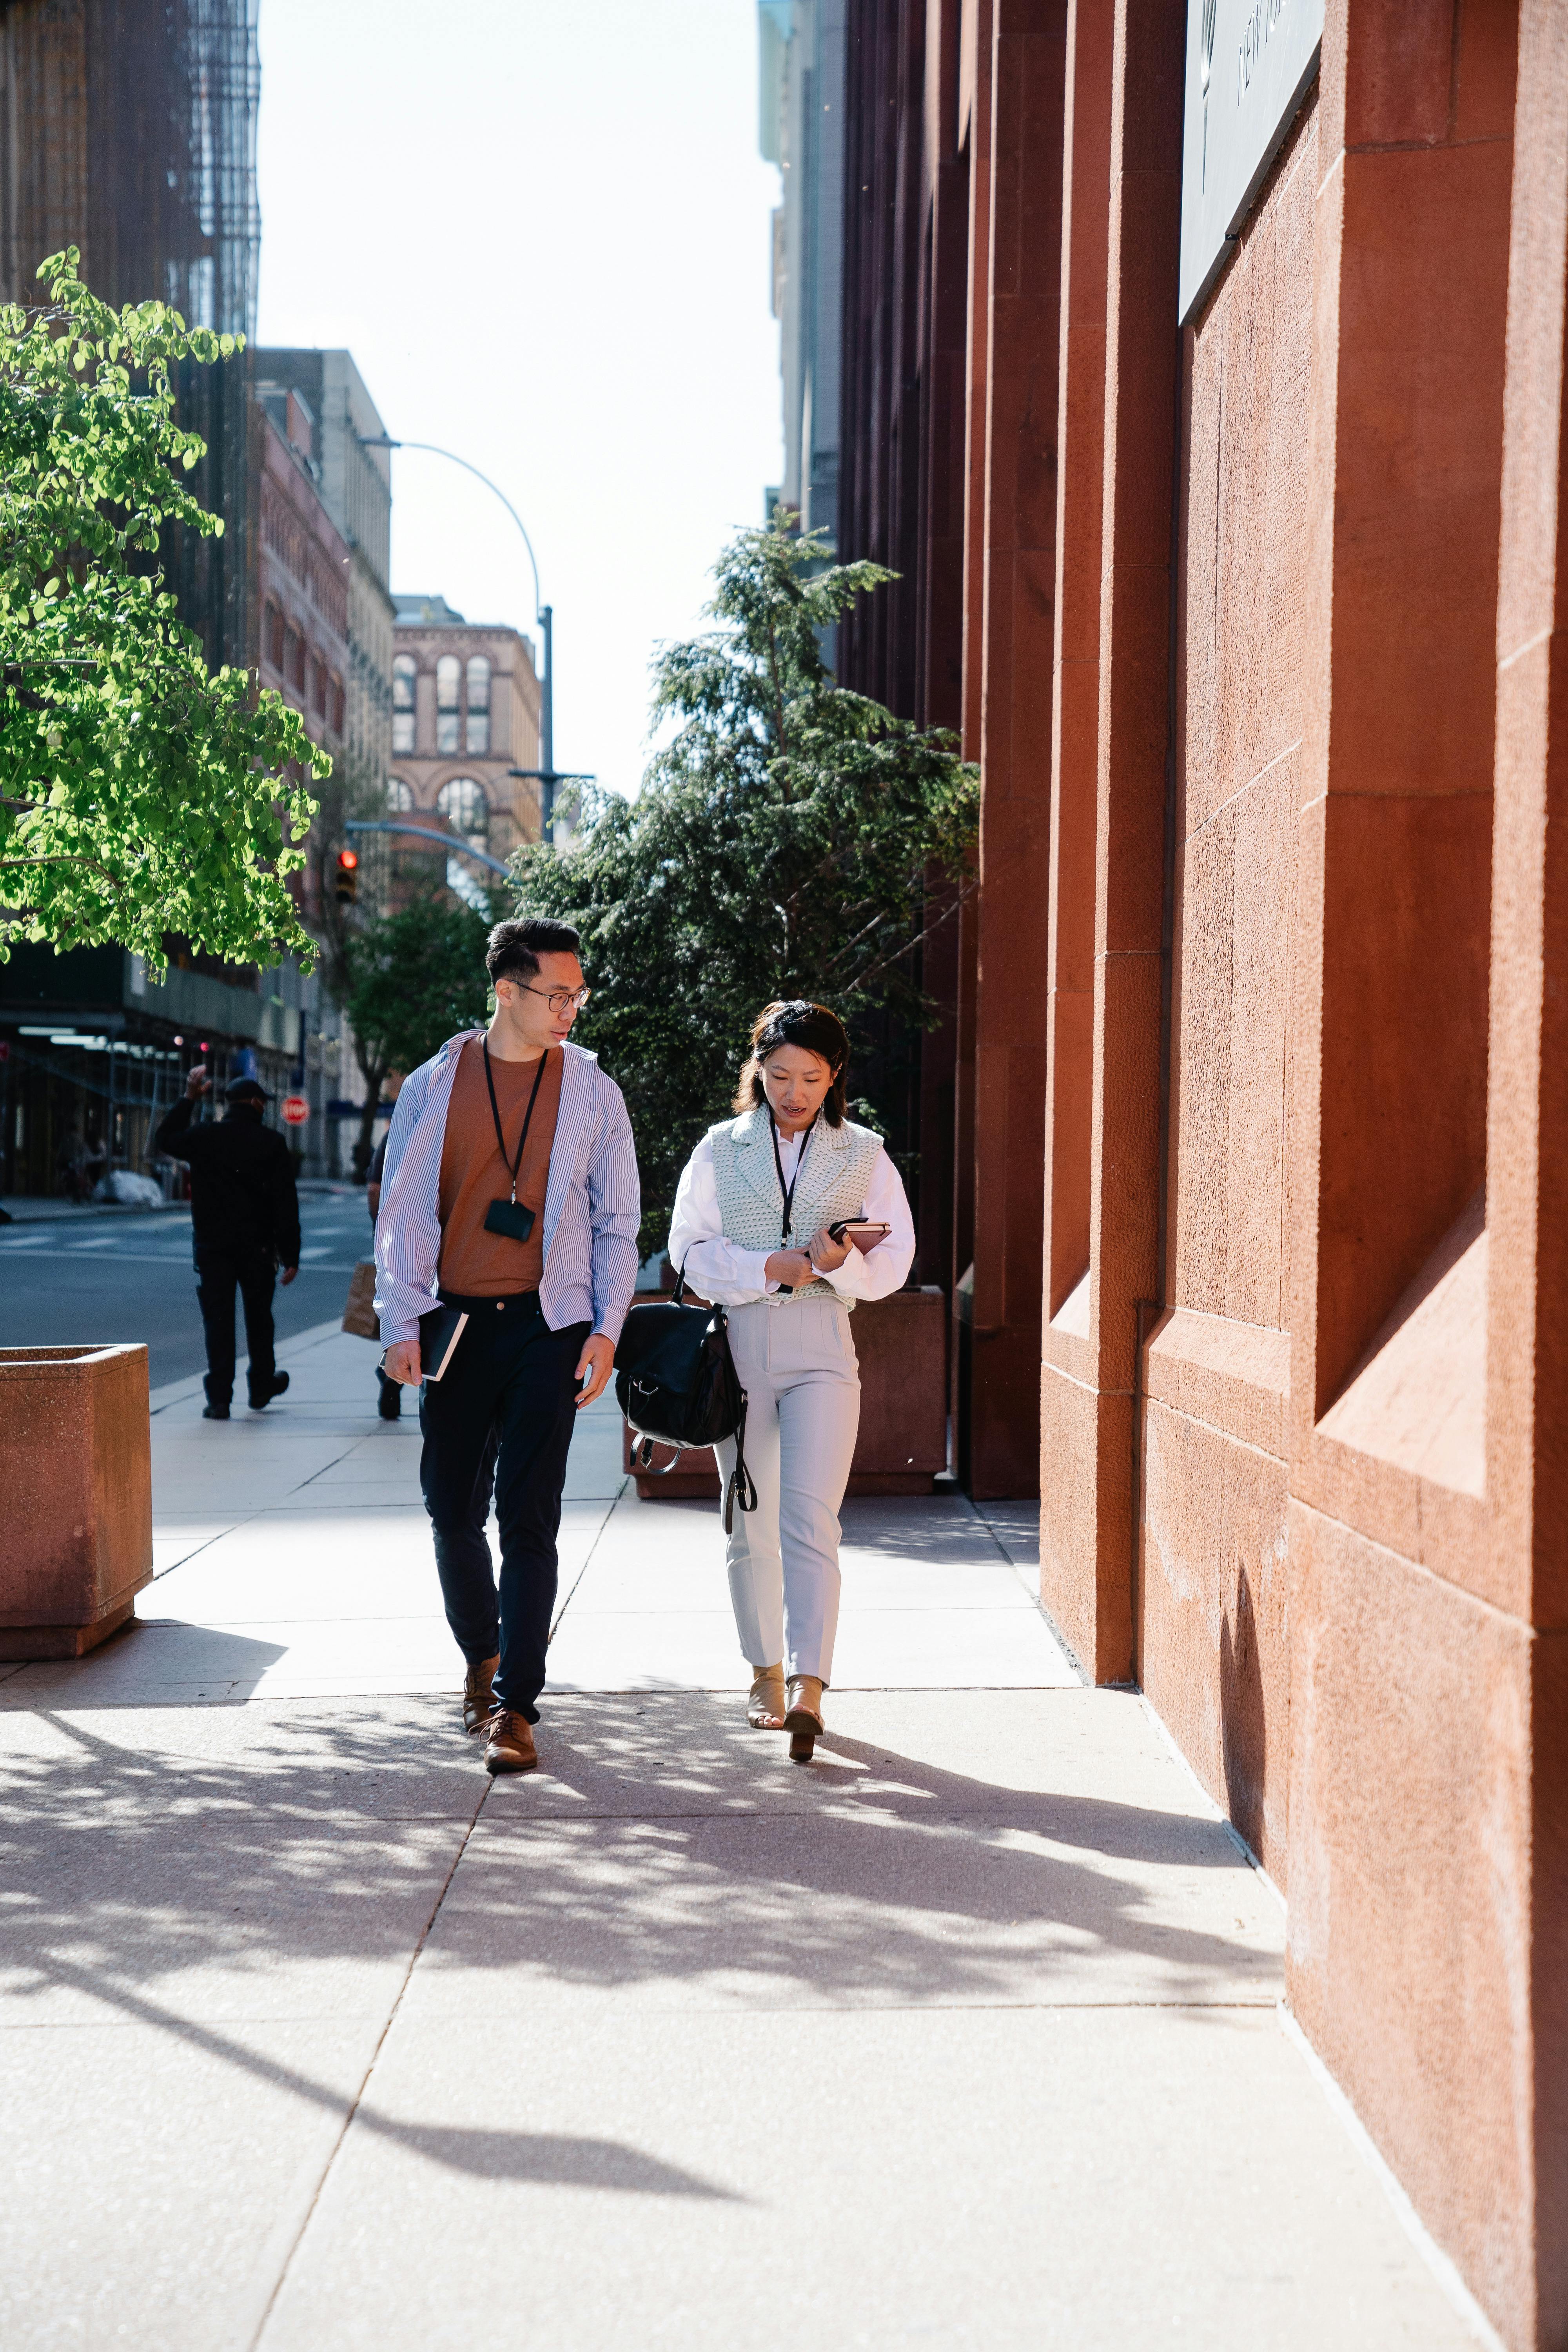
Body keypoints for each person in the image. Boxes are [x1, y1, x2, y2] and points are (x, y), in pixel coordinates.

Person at [375, 916, 639, 1776]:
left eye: (577, 993)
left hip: (547, 1323)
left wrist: (604, 1328)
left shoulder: (594, 1092)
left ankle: (518, 1705)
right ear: (506, 991)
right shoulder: (434, 1084)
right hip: (453, 1323)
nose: (569, 1008)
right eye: (554, 993)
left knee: (528, 1515)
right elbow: (403, 1210)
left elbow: (616, 1221)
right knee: (452, 1510)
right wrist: (400, 1322)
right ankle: (480, 1658)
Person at [667, 999, 915, 1761]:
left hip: (821, 1350)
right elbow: (685, 1254)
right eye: (778, 1076)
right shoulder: (719, 1149)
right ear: (758, 1072)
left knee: (811, 1519)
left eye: (810, 1077)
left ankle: (811, 1684)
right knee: (749, 1521)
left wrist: (848, 1263)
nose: (794, 1092)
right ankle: (764, 1672)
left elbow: (896, 1261)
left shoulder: (864, 1154)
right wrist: (760, 1269)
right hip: (738, 1350)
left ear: (834, 1076)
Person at [155, 1069, 301, 1421]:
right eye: (263, 1102)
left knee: (218, 1321)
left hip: (212, 1247)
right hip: (258, 1249)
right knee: (259, 1319)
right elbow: (285, 1203)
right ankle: (261, 1385)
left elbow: (166, 1138)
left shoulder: (206, 1136)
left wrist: (190, 1097)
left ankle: (219, 1398)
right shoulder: (271, 1143)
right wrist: (291, 1254)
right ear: (254, 1103)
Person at [365, 1075, 403, 1422]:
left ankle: (392, 1375)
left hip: (400, 1243)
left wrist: (381, 1231)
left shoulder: (395, 1135)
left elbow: (375, 1189)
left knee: (401, 1315)